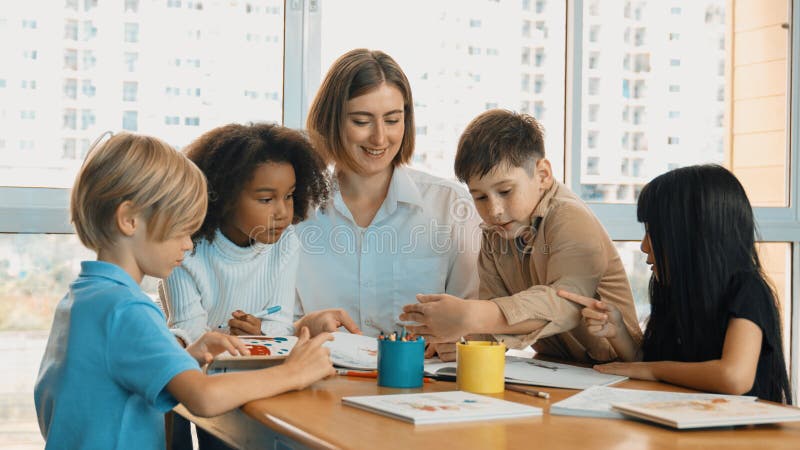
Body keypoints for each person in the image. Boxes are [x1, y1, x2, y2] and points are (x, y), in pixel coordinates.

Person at [34, 132, 335, 449]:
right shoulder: (127, 310)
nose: (188, 244)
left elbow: (114, 376)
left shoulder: (83, 297)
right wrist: (292, 373)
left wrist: (186, 356)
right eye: (181, 229)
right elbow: (203, 398)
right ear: (129, 220)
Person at [400, 109, 642, 363]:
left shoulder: (569, 216)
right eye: (480, 197)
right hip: (558, 368)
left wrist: (470, 315)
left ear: (543, 175)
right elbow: (495, 319)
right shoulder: (495, 234)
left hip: (619, 370)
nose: (494, 210)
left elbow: (566, 305)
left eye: (505, 191)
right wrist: (463, 340)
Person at [294, 48, 480, 361]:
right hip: (320, 384)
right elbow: (271, 321)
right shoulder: (297, 211)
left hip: (425, 390)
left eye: (392, 120)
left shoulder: (449, 205)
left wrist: (462, 336)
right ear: (330, 122)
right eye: (361, 121)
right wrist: (299, 326)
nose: (380, 138)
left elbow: (478, 314)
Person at [559, 165, 792, 403]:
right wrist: (617, 330)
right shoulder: (673, 291)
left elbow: (734, 377)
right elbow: (649, 362)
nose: (644, 246)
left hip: (742, 433)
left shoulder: (748, 290)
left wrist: (652, 371)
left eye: (652, 232)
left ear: (692, 237)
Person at [162, 123, 330, 342]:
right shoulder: (184, 249)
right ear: (225, 196)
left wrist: (260, 332)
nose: (282, 212)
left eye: (289, 196)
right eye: (266, 199)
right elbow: (186, 330)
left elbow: (280, 323)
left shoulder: (286, 242)